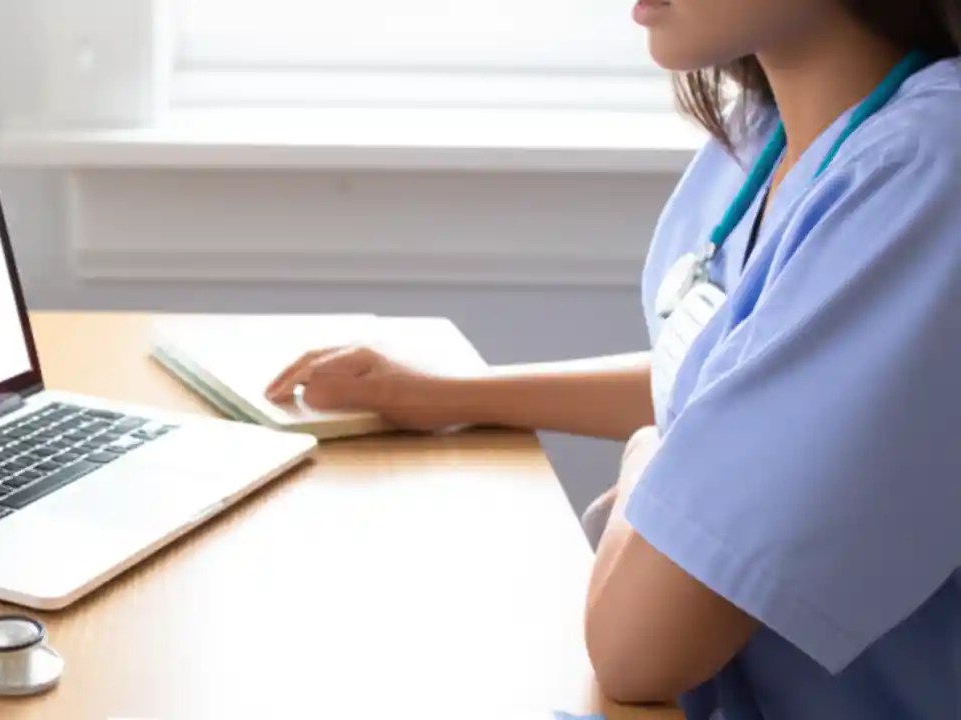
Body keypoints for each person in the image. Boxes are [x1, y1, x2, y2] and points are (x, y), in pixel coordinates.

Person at [266, 1, 961, 717]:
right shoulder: (762, 135)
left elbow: (639, 649)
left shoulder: (925, 171)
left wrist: (647, 453)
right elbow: (740, 385)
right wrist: (443, 395)